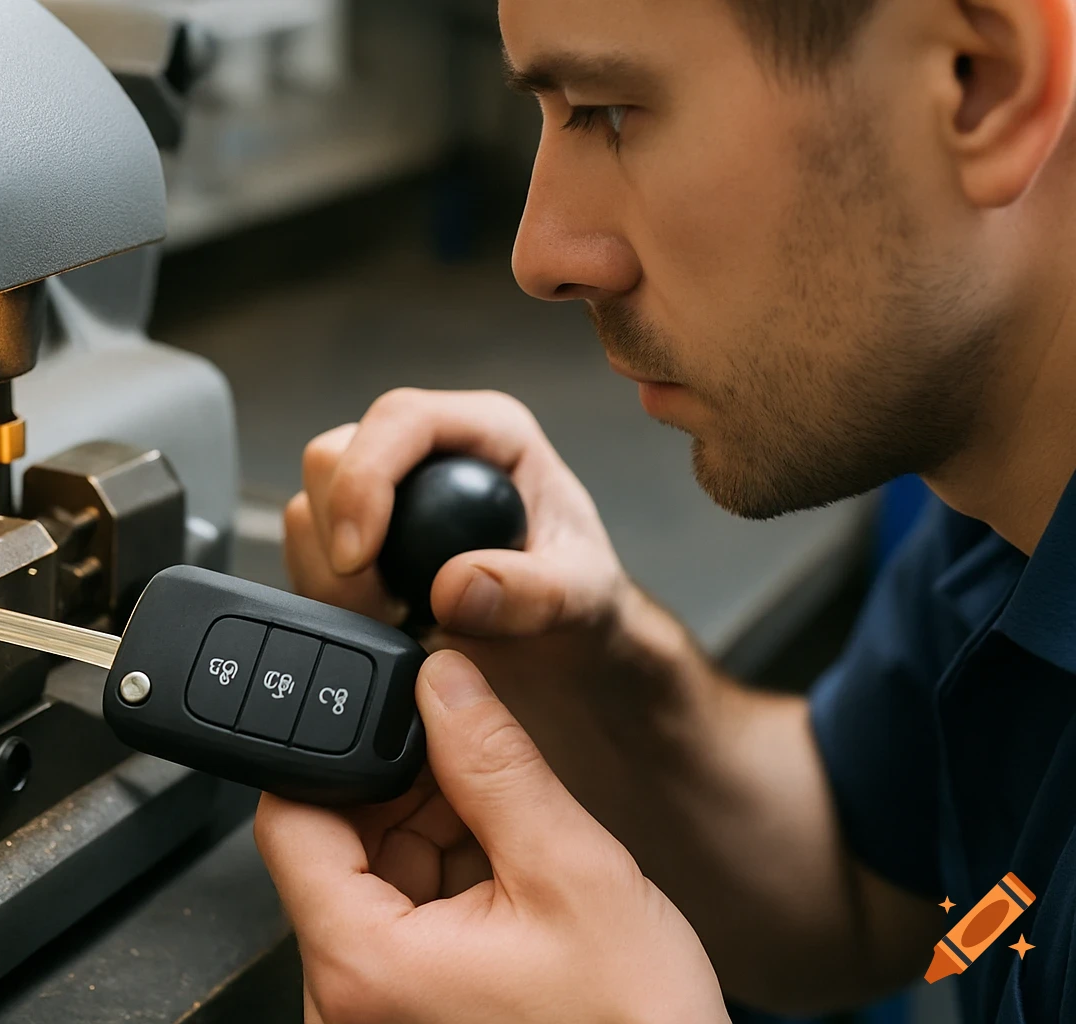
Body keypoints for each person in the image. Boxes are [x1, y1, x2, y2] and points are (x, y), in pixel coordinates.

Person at [251, 0, 1076, 1020]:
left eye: (609, 111)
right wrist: (592, 665)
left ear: (979, 85)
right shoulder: (1000, 496)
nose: (542, 254)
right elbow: (864, 891)